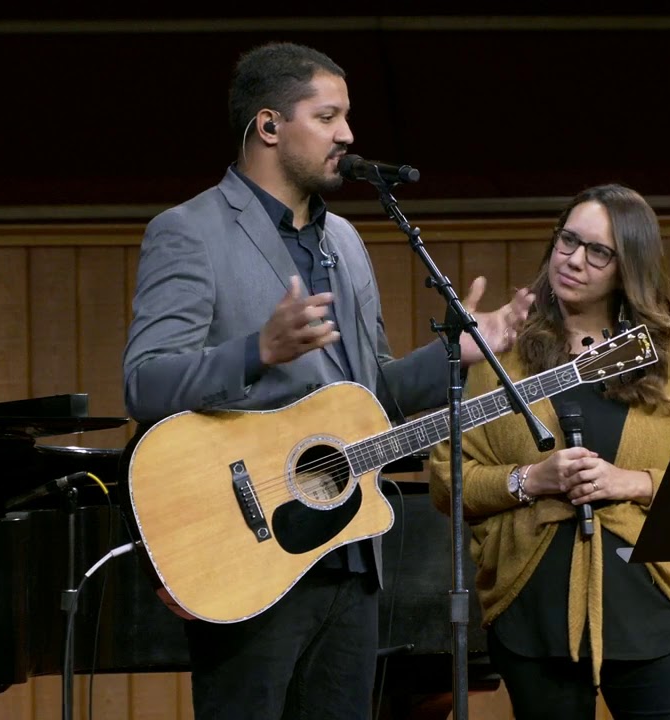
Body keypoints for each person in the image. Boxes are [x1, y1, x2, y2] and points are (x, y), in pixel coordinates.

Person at [122, 41, 534, 720]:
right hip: (247, 554)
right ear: (269, 125)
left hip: (350, 554)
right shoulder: (190, 232)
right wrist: (259, 350)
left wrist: (458, 353)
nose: (347, 134)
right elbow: (145, 384)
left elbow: (372, 397)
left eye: (346, 116)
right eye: (327, 116)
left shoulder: (344, 240)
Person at [429, 184, 670, 720]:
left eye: (598, 252)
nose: (574, 260)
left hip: (649, 606)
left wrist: (631, 482)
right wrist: (529, 480)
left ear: (628, 268)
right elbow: (449, 478)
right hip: (532, 611)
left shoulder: (667, 359)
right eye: (568, 241)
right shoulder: (503, 356)